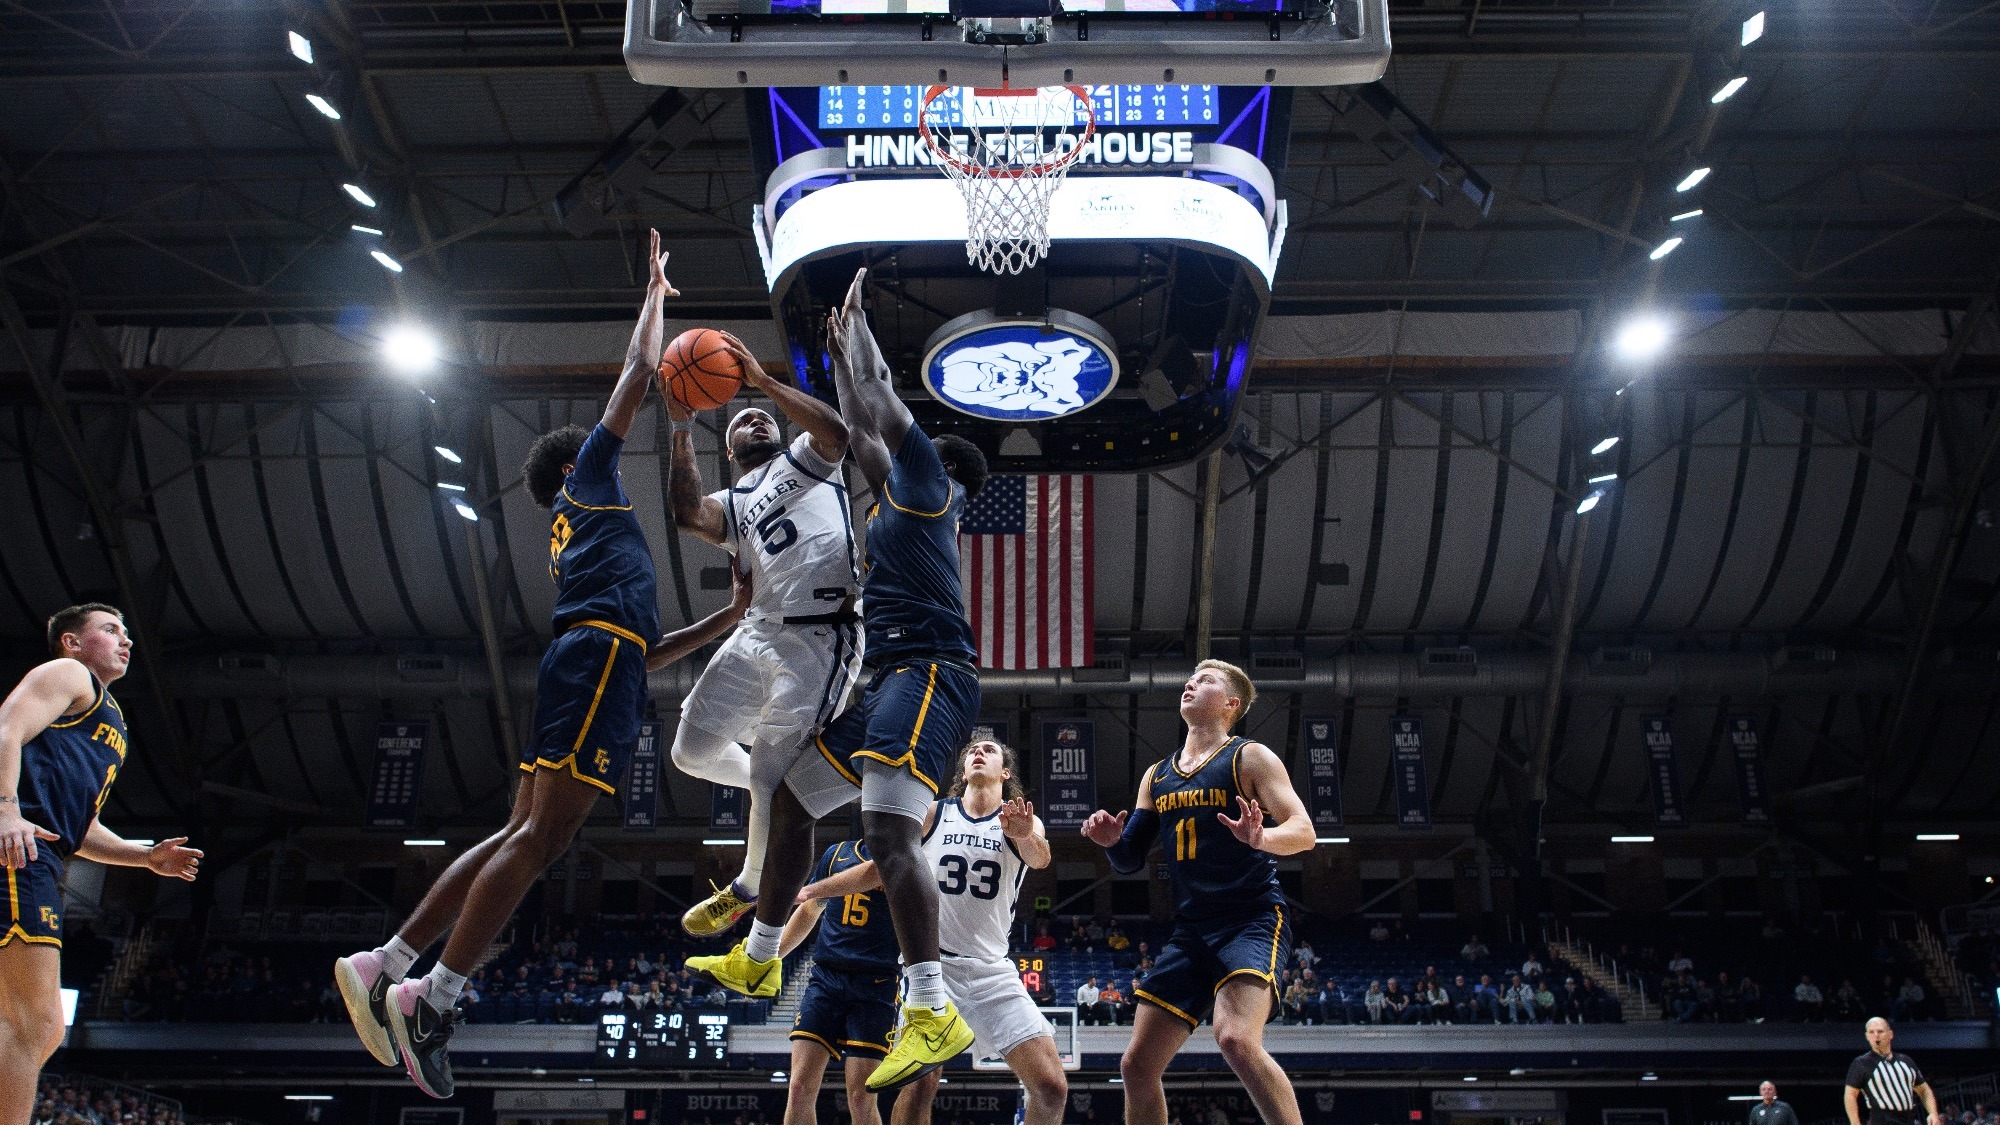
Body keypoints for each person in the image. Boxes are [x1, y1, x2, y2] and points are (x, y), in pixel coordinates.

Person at [334, 232, 744, 1099]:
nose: (612, 446)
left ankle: (389, 957)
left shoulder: (585, 534)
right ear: (573, 464)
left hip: (604, 662)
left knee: (520, 831)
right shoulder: (587, 480)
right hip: (594, 661)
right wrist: (657, 293)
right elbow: (639, 373)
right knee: (541, 837)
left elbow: (651, 650)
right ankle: (431, 995)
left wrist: (727, 618)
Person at [689, 269, 990, 1093]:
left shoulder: (925, 487)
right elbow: (859, 425)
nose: (879, 461)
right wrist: (835, 364)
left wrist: (852, 338)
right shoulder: (888, 509)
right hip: (889, 681)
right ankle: (758, 958)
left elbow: (876, 412)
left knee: (890, 833)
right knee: (788, 795)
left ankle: (929, 1007)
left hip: (933, 675)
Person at [665, 330, 861, 939]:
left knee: (771, 781)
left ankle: (748, 885)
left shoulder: (804, 457)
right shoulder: (733, 499)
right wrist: (679, 425)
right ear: (728, 448)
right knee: (689, 751)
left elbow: (838, 434)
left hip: (820, 638)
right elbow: (686, 512)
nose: (754, 419)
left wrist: (764, 382)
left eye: (760, 417)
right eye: (741, 421)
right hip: (757, 631)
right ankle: (765, 779)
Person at [1082, 661, 1315, 1125]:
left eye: (1206, 680)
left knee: (1235, 1039)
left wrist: (1261, 839)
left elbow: (1304, 832)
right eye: (1190, 678)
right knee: (1136, 1066)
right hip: (1191, 929)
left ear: (1232, 706)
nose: (1191, 683)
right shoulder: (1157, 775)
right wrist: (1112, 844)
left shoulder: (1249, 757)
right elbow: (1130, 859)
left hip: (1250, 918)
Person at [0, 604, 202, 1123]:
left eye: (127, 632)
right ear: (71, 642)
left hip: (44, 850)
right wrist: (5, 811)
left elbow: (81, 827)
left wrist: (144, 858)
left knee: (23, 1023)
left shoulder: (112, 722)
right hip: (21, 847)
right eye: (110, 630)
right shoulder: (68, 674)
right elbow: (5, 729)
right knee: (38, 1024)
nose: (125, 640)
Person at [800, 738, 1066, 1124]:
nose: (979, 753)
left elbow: (1039, 859)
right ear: (961, 774)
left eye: (990, 751)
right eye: (973, 751)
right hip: (931, 969)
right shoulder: (933, 814)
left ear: (1005, 773)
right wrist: (813, 889)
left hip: (993, 971)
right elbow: (880, 868)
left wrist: (1025, 834)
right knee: (921, 1084)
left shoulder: (1019, 820)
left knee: (1051, 1088)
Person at [771, 839, 900, 1125]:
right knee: (799, 1088)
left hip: (876, 983)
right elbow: (808, 910)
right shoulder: (836, 853)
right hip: (826, 978)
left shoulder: (907, 855)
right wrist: (769, 958)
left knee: (861, 1097)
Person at [1844, 1018, 1941, 1125]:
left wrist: (1933, 1113)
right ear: (1867, 1036)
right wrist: (1855, 1122)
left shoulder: (1906, 1061)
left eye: (1880, 1031)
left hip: (1908, 1118)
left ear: (1890, 1034)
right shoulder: (1861, 1063)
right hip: (1882, 1119)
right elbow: (1850, 1095)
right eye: (1871, 1032)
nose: (1876, 1035)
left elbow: (1924, 1090)